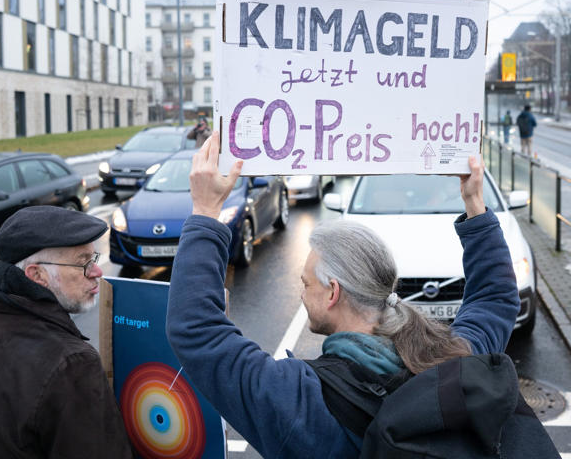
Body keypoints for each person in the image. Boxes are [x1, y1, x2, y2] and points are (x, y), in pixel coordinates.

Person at [165, 132, 521, 458]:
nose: (302, 294)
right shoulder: (456, 361)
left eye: (306, 284)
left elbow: (197, 332)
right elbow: (495, 300)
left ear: (333, 292)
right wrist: (474, 203)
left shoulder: (299, 402)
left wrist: (205, 210)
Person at [0, 206, 133, 459]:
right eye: (83, 262)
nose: (97, 272)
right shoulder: (72, 363)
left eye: (94, 259)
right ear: (37, 275)